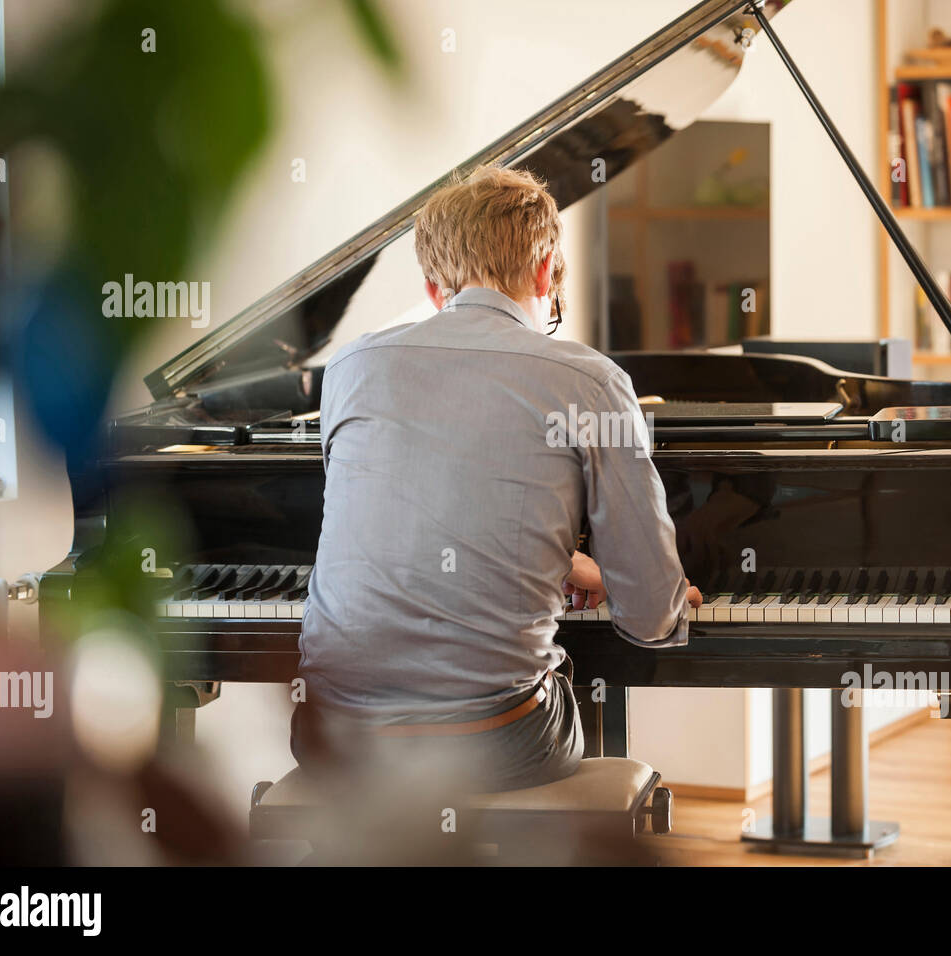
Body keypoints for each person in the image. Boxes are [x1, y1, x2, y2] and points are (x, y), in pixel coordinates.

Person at [294, 164, 701, 794]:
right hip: (496, 743)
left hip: (329, 736)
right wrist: (647, 596)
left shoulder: (349, 369)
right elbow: (649, 616)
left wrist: (558, 559)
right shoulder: (593, 382)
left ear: (434, 288)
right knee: (567, 693)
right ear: (545, 273)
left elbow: (412, 513)